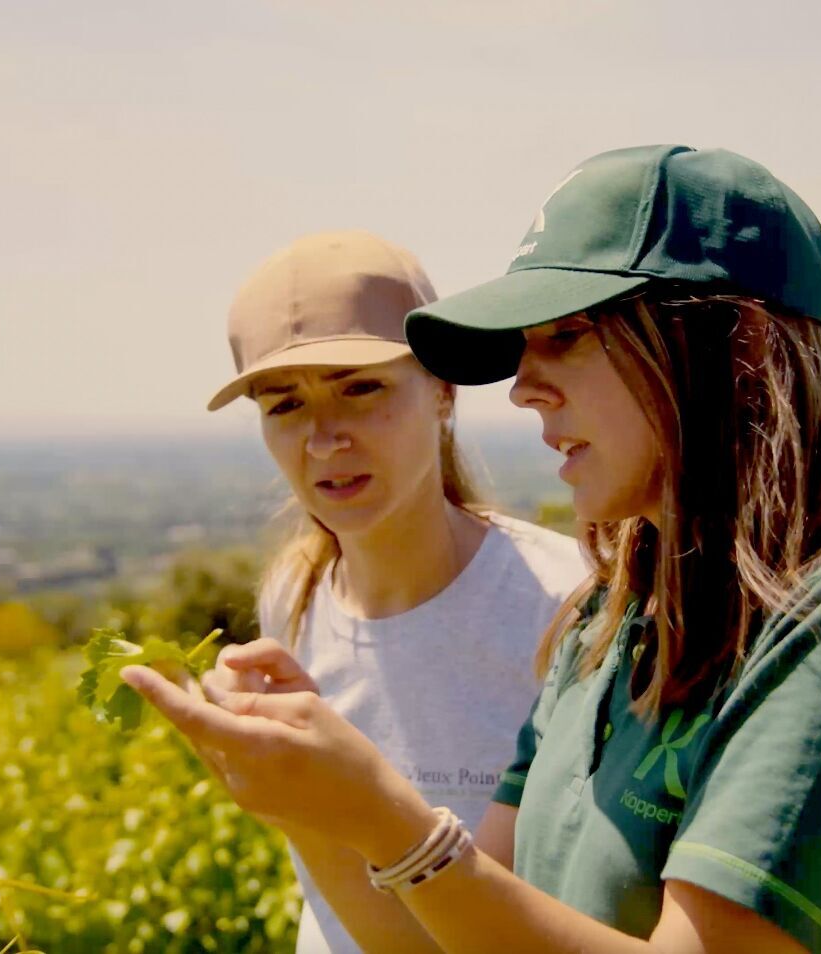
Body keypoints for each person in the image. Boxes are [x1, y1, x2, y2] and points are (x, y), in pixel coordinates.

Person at [128, 148, 821, 953]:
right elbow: (455, 937)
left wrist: (389, 818)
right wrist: (314, 810)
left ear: (742, 346)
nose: (521, 387)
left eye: (567, 337)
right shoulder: (604, 621)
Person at [201, 230, 588, 953]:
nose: (323, 439)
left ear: (442, 393)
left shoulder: (566, 603)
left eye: (360, 388)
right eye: (283, 405)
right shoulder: (293, 595)